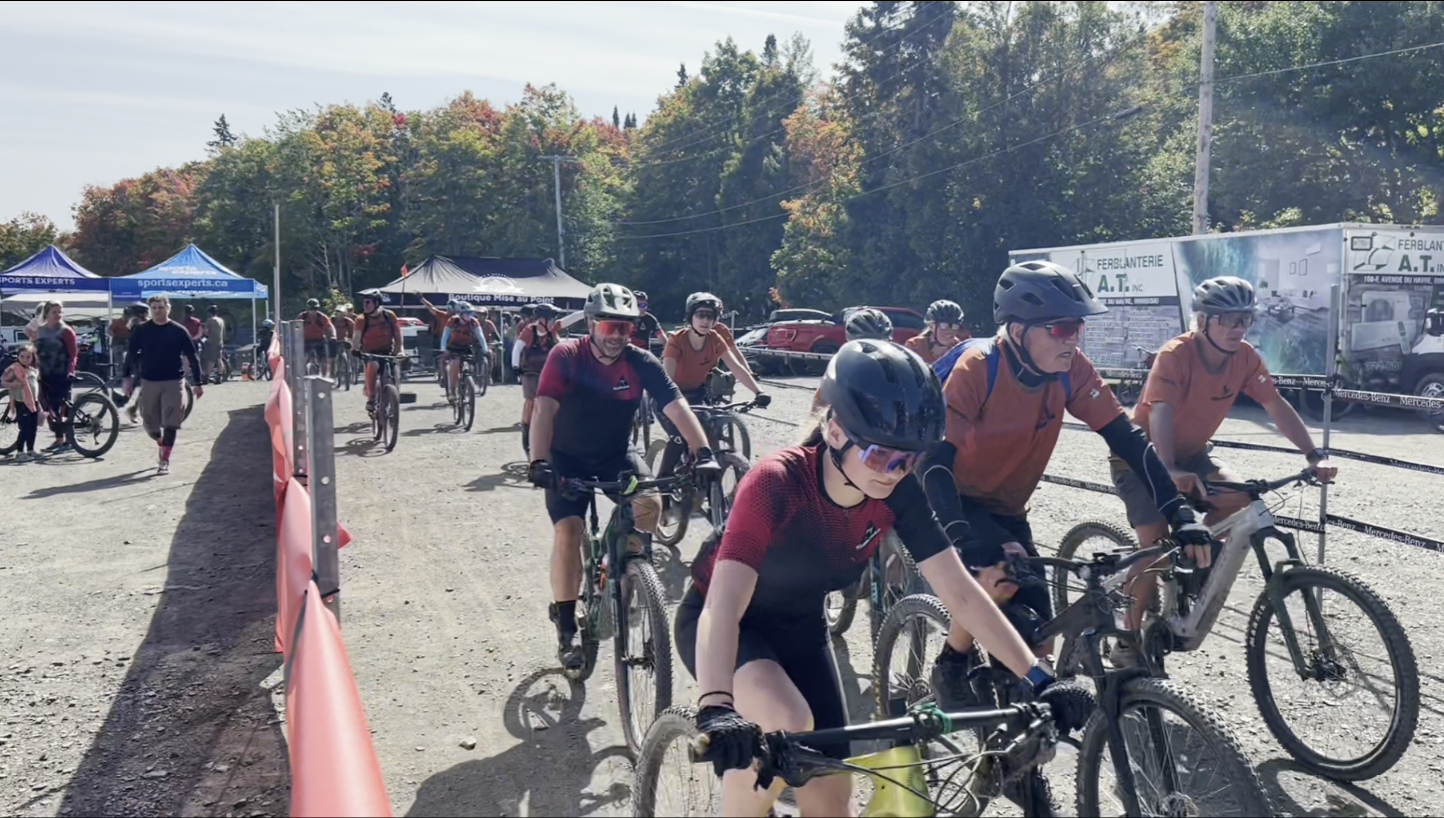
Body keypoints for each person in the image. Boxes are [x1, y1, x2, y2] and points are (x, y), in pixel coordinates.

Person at [684, 340, 1090, 816]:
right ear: (834, 431)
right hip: (729, 628)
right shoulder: (776, 482)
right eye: (881, 456)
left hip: (801, 631)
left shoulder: (897, 491)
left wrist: (1039, 679)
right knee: (787, 720)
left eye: (910, 459)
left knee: (835, 807)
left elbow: (960, 592)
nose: (896, 471)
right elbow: (723, 606)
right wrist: (716, 704)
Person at [920, 260, 1210, 659]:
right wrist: (961, 539)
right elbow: (935, 464)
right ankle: (950, 663)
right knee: (995, 581)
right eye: (1062, 328)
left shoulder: (1071, 370)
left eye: (1079, 327)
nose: (1074, 339)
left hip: (1008, 508)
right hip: (956, 500)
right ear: (1018, 331)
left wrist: (1179, 513)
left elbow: (1127, 440)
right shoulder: (978, 369)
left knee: (1039, 640)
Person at [1111, 276, 1339, 651]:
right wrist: (1168, 469)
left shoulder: (1246, 357)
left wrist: (1313, 455)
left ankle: (1194, 567)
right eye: (1228, 319)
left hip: (1194, 453)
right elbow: (1160, 414)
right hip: (1142, 457)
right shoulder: (1175, 355)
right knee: (1152, 544)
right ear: (1203, 321)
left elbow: (1275, 405)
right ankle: (1125, 639)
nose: (1238, 328)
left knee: (1243, 500)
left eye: (1245, 319)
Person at [527, 283, 718, 670]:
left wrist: (705, 453)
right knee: (568, 530)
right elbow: (544, 410)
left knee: (649, 503)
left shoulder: (640, 360)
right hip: (567, 458)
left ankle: (625, 573)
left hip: (615, 454)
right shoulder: (566, 355)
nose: (616, 336)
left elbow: (677, 407)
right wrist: (538, 462)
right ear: (592, 323)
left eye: (625, 328)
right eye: (608, 326)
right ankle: (566, 625)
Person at [656, 292, 769, 477]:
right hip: (670, 397)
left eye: (711, 316)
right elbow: (666, 378)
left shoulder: (715, 339)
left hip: (696, 394)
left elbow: (736, 367)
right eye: (700, 314)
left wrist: (759, 392)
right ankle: (663, 483)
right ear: (690, 316)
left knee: (708, 432)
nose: (705, 320)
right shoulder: (677, 340)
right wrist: (678, 406)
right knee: (679, 436)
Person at [123, 295, 203, 476]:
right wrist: (126, 377)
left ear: (168, 308)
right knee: (150, 422)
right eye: (154, 308)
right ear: (150, 310)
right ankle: (161, 442)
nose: (158, 310)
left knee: (171, 422)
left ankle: (164, 459)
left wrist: (198, 382)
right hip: (149, 380)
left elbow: (192, 356)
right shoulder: (141, 330)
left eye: (161, 307)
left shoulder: (179, 331)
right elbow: (131, 355)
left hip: (174, 381)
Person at [32, 301, 78, 452]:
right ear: (46, 314)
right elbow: (35, 351)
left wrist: (70, 371)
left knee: (59, 406)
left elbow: (73, 353)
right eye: (54, 312)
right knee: (47, 406)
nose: (58, 315)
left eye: (60, 312)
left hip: (61, 373)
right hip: (44, 373)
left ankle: (64, 440)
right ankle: (60, 439)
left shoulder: (66, 331)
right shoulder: (40, 330)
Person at [517, 303, 561, 456]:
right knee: (532, 398)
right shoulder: (530, 331)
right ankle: (528, 427)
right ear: (542, 319)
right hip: (529, 371)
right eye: (551, 318)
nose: (554, 321)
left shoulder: (552, 333)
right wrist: (516, 367)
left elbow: (560, 348)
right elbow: (518, 347)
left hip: (547, 371)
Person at [355, 293, 404, 415]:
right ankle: (371, 398)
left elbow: (398, 334)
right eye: (364, 302)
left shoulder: (389, 315)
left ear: (376, 303)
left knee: (395, 370)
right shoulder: (361, 319)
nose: (364, 305)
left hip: (388, 351)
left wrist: (400, 350)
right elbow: (356, 337)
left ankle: (394, 397)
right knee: (374, 365)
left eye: (368, 302)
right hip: (370, 353)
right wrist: (355, 349)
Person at [2, 344, 41, 461]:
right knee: (24, 428)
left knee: (33, 428)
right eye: (22, 356)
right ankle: (19, 452)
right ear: (18, 356)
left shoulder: (33, 371)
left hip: (33, 403)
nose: (25, 359)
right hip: (21, 402)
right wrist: (14, 385)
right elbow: (3, 382)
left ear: (32, 357)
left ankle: (30, 450)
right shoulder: (14, 369)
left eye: (28, 357)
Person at [441, 302, 486, 402]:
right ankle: (452, 391)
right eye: (467, 313)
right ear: (460, 314)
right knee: (455, 363)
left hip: (466, 346)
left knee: (471, 363)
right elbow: (445, 336)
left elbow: (480, 336)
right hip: (453, 346)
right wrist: (443, 348)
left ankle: (467, 382)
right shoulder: (452, 321)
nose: (470, 315)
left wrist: (485, 349)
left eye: (471, 313)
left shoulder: (474, 322)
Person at [904, 299, 970, 364]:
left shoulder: (957, 348)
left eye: (954, 326)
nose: (949, 331)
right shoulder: (914, 345)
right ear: (931, 326)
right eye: (944, 325)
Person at [297, 299, 336, 380]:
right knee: (304, 359)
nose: (313, 311)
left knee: (324, 360)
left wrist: (332, 336)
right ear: (307, 309)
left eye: (315, 309)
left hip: (319, 339)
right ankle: (302, 377)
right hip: (306, 340)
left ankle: (324, 378)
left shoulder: (322, 317)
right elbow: (295, 327)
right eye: (311, 309)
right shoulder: (302, 316)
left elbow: (330, 327)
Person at [201, 306, 227, 382]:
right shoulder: (221, 320)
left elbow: (206, 331)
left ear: (210, 313)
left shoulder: (210, 320)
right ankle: (220, 376)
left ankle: (206, 377)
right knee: (219, 359)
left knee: (210, 360)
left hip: (212, 342)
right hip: (220, 341)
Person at [331, 306, 356, 375]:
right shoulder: (332, 320)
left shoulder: (347, 321)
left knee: (350, 350)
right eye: (338, 313)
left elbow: (355, 329)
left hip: (344, 339)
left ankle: (349, 366)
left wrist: (353, 337)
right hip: (334, 340)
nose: (339, 315)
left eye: (341, 313)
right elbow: (326, 328)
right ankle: (333, 371)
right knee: (332, 356)